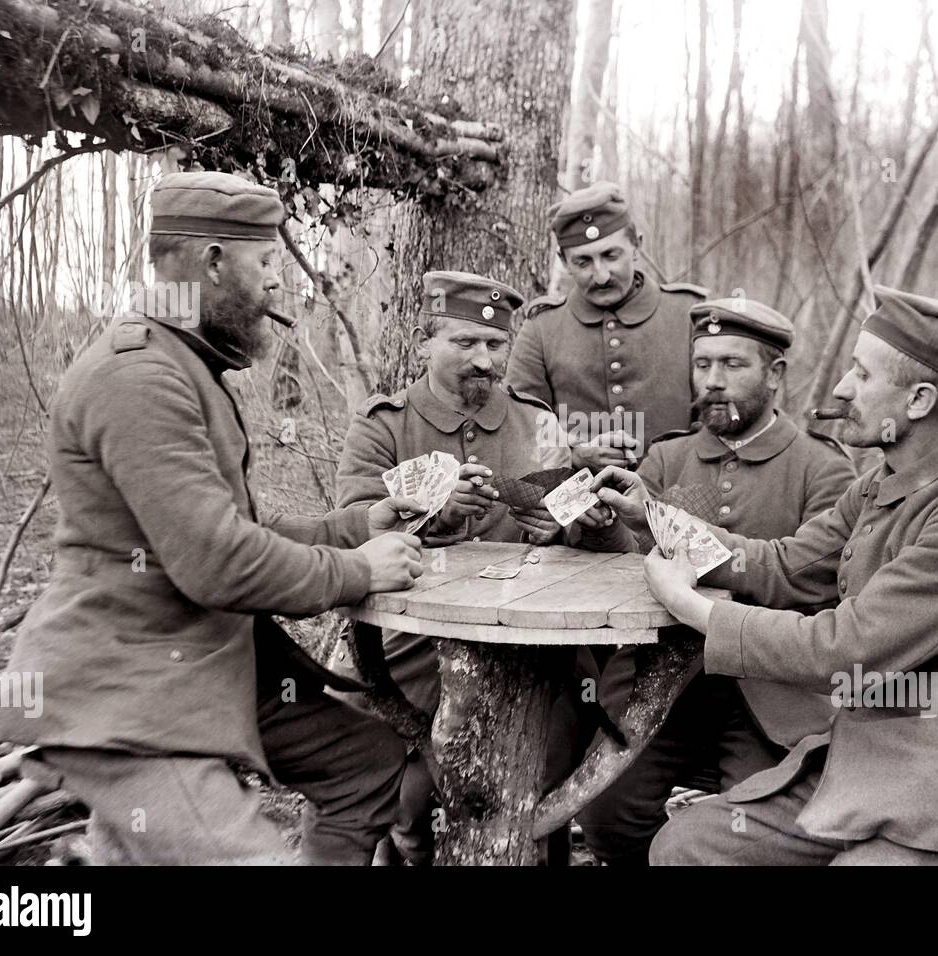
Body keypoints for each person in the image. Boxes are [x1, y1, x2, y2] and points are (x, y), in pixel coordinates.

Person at [0, 171, 424, 865]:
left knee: (366, 762)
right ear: (213, 261)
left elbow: (239, 522)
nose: (277, 283)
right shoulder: (139, 378)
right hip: (128, 701)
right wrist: (356, 571)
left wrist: (354, 528)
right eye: (266, 261)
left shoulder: (183, 365)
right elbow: (218, 559)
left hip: (202, 667)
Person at [594, 287, 938, 865]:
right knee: (691, 846)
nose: (840, 388)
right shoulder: (889, 479)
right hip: (881, 755)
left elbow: (845, 649)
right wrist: (657, 519)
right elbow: (786, 564)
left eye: (860, 373)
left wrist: (691, 606)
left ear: (920, 400)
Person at [333, 270, 627, 863]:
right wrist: (433, 520)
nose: (484, 360)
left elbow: (575, 520)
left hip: (528, 653)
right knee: (398, 800)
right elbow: (352, 525)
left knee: (536, 788)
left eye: (495, 345)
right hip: (407, 644)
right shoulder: (385, 423)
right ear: (423, 342)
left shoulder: (536, 423)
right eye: (464, 343)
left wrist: (566, 526)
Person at [574, 297, 854, 865]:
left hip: (766, 689)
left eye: (733, 365)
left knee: (753, 834)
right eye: (703, 365)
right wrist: (599, 528)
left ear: (775, 375)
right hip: (653, 681)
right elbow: (627, 566)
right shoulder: (665, 458)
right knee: (605, 816)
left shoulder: (823, 469)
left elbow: (819, 583)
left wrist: (676, 537)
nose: (714, 381)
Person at [506, 181, 707, 470]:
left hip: (673, 500)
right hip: (579, 505)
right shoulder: (542, 328)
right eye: (583, 262)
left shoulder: (688, 314)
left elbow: (715, 425)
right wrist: (573, 455)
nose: (600, 276)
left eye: (611, 255)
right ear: (564, 261)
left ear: (636, 245)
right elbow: (519, 427)